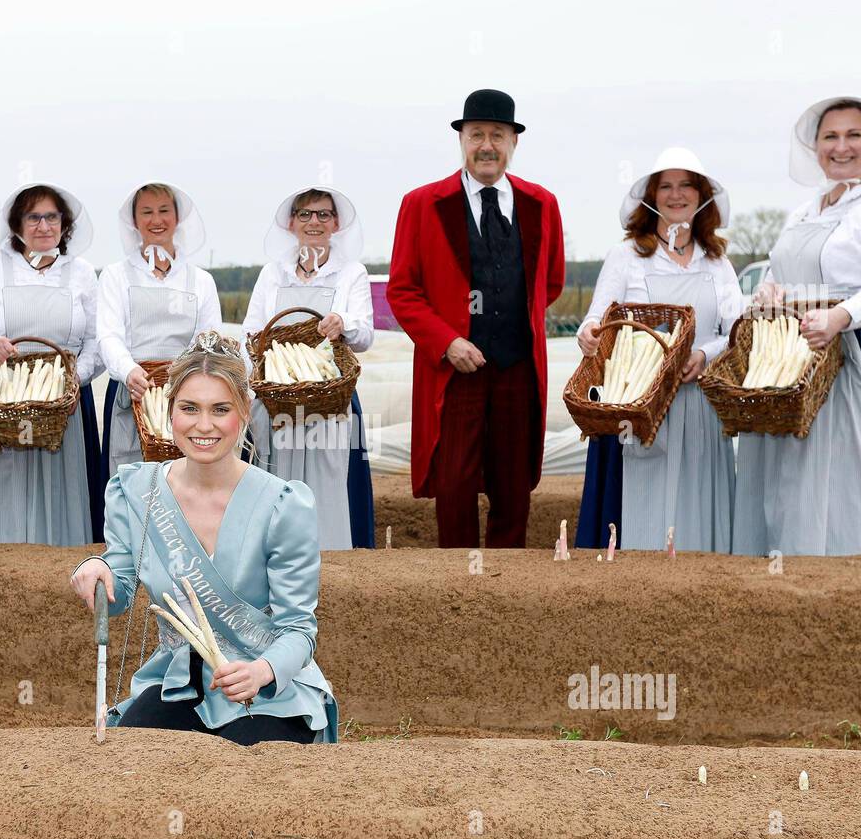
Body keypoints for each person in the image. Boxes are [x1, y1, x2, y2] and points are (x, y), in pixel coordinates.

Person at [70, 331, 337, 745]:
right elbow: (118, 592)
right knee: (131, 763)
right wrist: (97, 567)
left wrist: (261, 671)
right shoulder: (135, 491)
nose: (204, 425)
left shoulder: (284, 504)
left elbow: (299, 630)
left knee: (251, 777)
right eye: (189, 408)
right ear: (169, 410)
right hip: (179, 682)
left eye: (220, 409)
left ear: (244, 412)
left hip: (268, 690)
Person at [733, 97, 861, 556]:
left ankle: (858, 575)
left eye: (853, 135)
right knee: (793, 470)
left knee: (854, 473)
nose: (842, 147)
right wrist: (771, 293)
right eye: (830, 136)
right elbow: (783, 271)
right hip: (793, 361)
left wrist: (840, 317)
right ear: (815, 146)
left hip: (859, 353)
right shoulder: (804, 211)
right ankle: (793, 564)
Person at [387, 89, 565, 547]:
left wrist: (508, 324)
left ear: (513, 143)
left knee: (513, 482)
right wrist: (448, 341)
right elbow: (403, 291)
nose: (487, 145)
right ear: (462, 140)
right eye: (477, 135)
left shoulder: (541, 204)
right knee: (454, 482)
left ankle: (507, 582)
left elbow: (551, 283)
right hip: (453, 369)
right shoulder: (422, 204)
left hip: (518, 368)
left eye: (498, 136)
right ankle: (456, 581)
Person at [575, 148, 742, 552]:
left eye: (686, 184)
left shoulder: (717, 261)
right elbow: (598, 319)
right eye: (665, 185)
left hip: (699, 406)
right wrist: (588, 333)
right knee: (642, 508)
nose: (676, 194)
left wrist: (705, 355)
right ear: (651, 197)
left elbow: (736, 329)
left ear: (701, 196)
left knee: (696, 502)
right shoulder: (627, 256)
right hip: (638, 407)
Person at [0, 184, 101, 547]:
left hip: (64, 404)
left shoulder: (82, 273)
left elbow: (96, 342)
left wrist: (75, 381)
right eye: (33, 217)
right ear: (16, 224)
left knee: (63, 488)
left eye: (51, 216)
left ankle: (62, 562)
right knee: (3, 483)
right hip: (4, 399)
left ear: (64, 223)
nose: (43, 225)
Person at [242, 186, 376, 550]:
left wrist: (342, 322)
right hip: (277, 401)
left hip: (329, 402)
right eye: (305, 214)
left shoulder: (351, 273)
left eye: (323, 215)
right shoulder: (273, 273)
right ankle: (275, 560)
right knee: (277, 488)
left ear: (335, 224)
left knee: (328, 489)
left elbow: (365, 335)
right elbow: (250, 335)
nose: (313, 222)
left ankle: (334, 556)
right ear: (291, 223)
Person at [96, 182, 222, 479]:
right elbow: (108, 335)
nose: (156, 220)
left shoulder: (200, 280)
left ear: (178, 218)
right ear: (134, 221)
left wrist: (191, 383)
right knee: (133, 482)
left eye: (164, 211)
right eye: (147, 212)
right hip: (133, 392)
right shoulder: (116, 276)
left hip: (188, 396)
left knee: (187, 486)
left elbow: (211, 341)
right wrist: (129, 371)